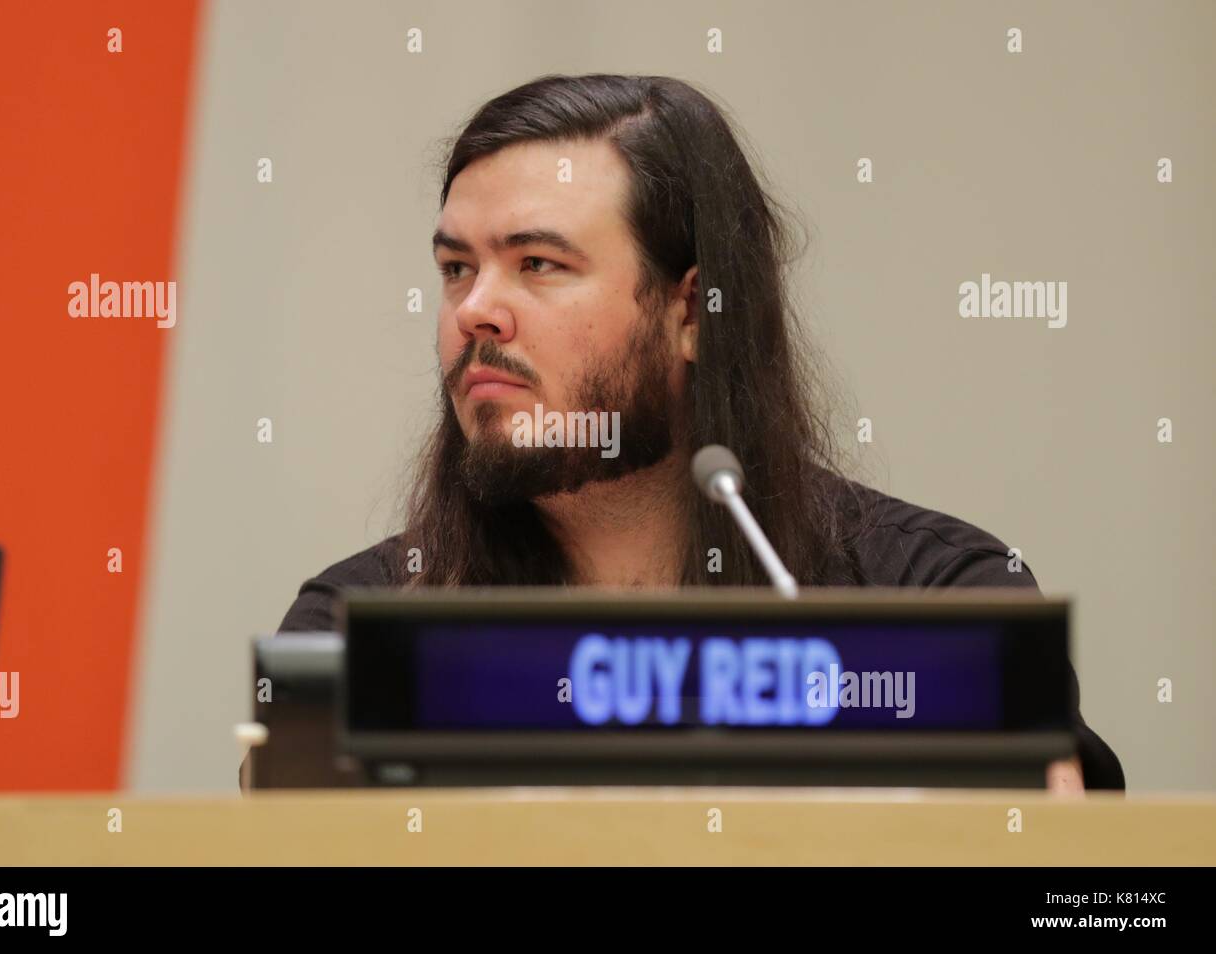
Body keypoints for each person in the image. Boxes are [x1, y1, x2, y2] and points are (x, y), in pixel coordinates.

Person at [278, 74, 1124, 791]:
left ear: (693, 314)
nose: (474, 312)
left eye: (538, 264)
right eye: (456, 269)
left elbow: (1083, 896)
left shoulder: (937, 601)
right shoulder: (362, 629)